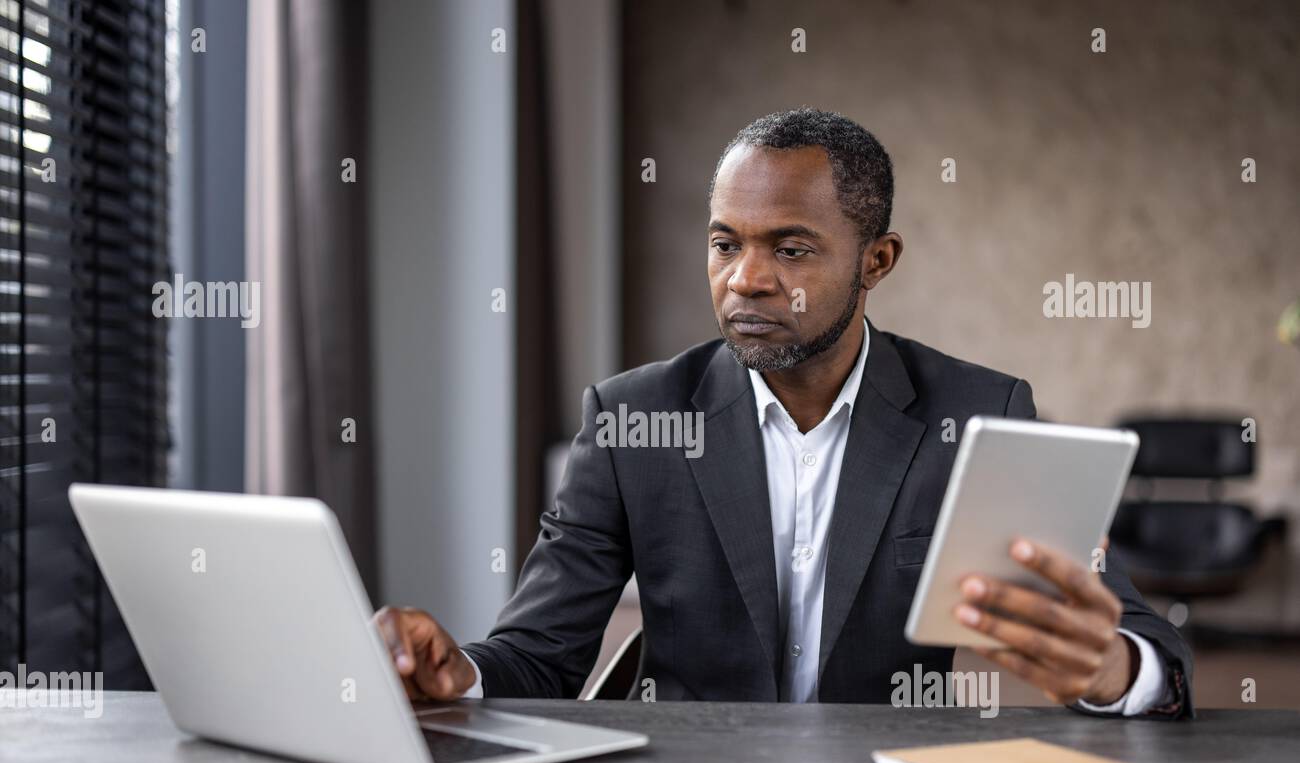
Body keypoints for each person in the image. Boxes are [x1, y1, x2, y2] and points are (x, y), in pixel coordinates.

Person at [376, 108, 1191, 718]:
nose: (746, 279)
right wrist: (461, 673)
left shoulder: (978, 414)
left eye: (790, 249)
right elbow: (537, 655)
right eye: (726, 243)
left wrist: (1114, 668)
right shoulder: (632, 420)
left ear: (877, 260)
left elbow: (1156, 653)